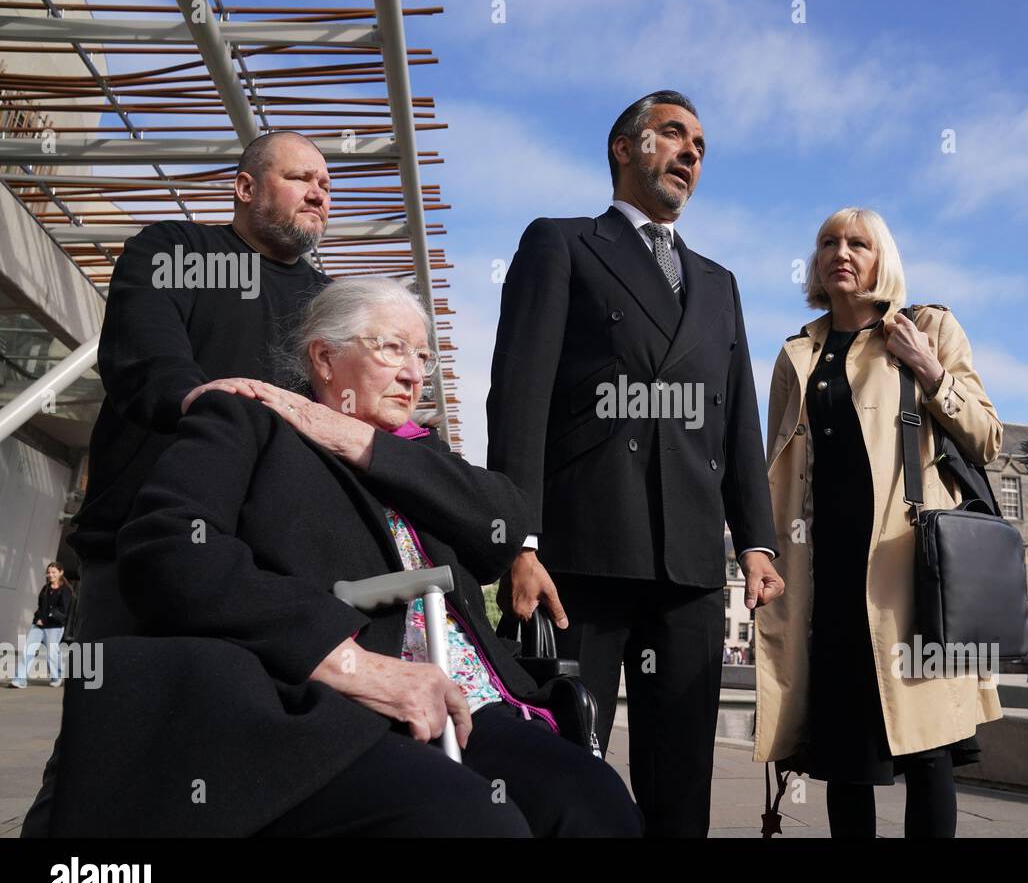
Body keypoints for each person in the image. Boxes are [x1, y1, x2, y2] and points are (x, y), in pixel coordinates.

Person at [46, 277, 642, 837]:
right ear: (325, 359)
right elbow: (168, 549)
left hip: (469, 703)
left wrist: (361, 441)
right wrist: (350, 664)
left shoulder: (420, 455)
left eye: (423, 357)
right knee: (474, 823)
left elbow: (506, 525)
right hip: (332, 706)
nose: (414, 374)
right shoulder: (249, 420)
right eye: (393, 348)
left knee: (595, 803)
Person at [486, 90, 783, 837]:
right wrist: (519, 541)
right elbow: (518, 396)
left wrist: (756, 541)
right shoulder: (561, 243)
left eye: (701, 146)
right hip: (579, 556)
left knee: (681, 782)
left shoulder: (719, 283)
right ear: (625, 149)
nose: (691, 153)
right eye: (674, 134)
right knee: (565, 766)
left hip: (689, 566)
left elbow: (737, 421)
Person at [22, 130, 333, 837]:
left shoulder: (331, 304)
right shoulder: (174, 250)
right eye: (300, 177)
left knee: (245, 763)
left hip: (268, 566)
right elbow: (144, 356)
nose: (319, 192)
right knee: (99, 756)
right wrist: (201, 401)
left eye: (326, 183)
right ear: (245, 188)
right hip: (143, 550)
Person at [755, 207, 1004, 838]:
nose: (840, 253)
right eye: (828, 242)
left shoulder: (929, 326)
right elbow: (776, 471)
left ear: (881, 258)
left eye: (857, 244)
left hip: (910, 571)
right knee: (844, 758)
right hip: (828, 576)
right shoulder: (798, 354)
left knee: (928, 750)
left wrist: (930, 370)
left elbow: (988, 438)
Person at [9, 563, 75, 689]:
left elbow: (63, 610)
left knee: (52, 654)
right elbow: (40, 607)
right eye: (49, 572)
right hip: (38, 626)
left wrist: (45, 618)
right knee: (28, 650)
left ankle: (56, 677)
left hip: (54, 627)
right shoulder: (46, 588)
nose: (50, 575)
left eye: (53, 572)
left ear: (61, 572)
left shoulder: (65, 590)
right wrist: (38, 618)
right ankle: (20, 680)